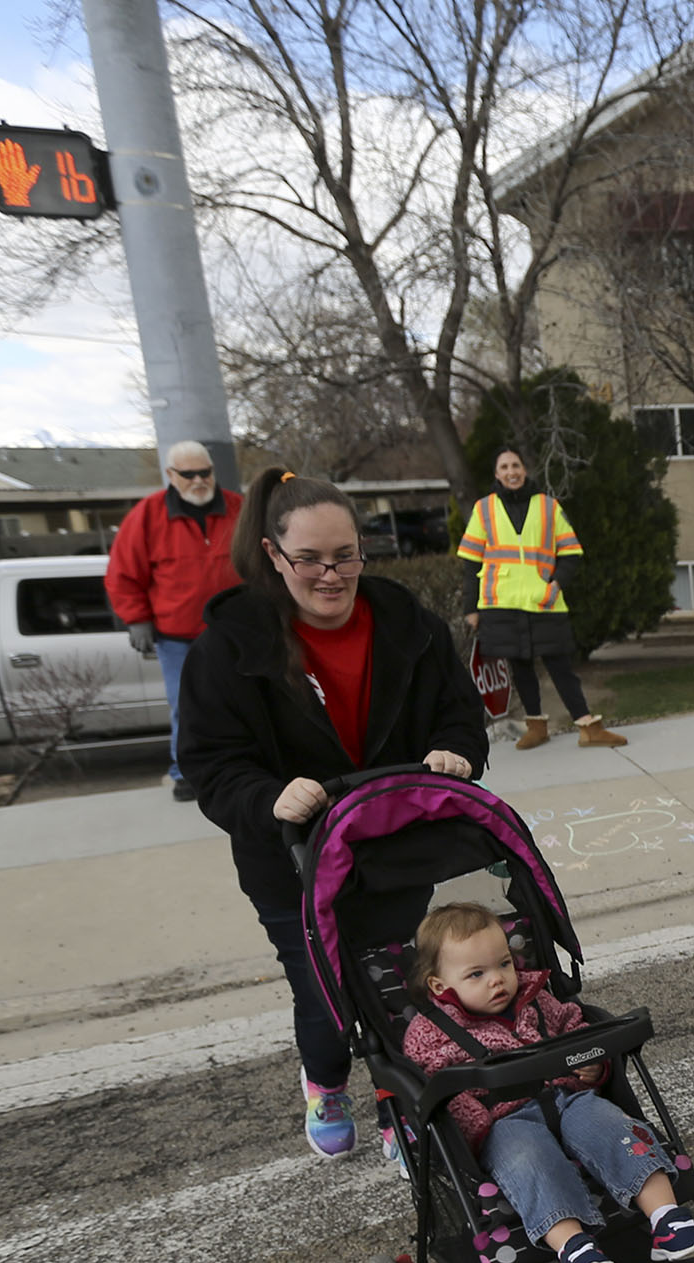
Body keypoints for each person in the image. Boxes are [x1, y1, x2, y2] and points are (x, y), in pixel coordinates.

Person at [180, 467, 490, 1160]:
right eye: (310, 559)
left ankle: (397, 1095)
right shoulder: (231, 648)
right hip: (290, 860)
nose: (331, 574)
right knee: (322, 988)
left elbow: (458, 712)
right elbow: (211, 765)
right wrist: (267, 797)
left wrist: (455, 750)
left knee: (395, 977)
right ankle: (324, 1081)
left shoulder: (407, 625)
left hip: (391, 846)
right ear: (272, 554)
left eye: (346, 555)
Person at [401, 902, 694, 1263]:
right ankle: (574, 1246)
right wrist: (476, 1136)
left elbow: (575, 1026)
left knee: (616, 1130)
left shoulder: (536, 998)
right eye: (477, 974)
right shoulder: (430, 1033)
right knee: (530, 1161)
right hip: (504, 1121)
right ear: (440, 987)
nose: (498, 980)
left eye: (504, 965)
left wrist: (594, 1065)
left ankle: (669, 1220)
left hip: (569, 1097)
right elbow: (440, 1091)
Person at [458, 448, 625, 752]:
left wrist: (556, 584)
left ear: (525, 469)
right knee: (521, 668)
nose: (511, 471)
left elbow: (571, 553)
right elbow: (470, 562)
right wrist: (471, 608)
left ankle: (588, 726)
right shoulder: (483, 509)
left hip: (544, 601)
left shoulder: (548, 507)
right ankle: (536, 728)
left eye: (516, 465)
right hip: (502, 604)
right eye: (505, 466)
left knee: (561, 666)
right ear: (497, 474)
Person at [102, 440, 243, 802]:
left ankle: (244, 766)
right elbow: (122, 574)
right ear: (170, 475)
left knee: (243, 701)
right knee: (186, 705)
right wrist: (136, 620)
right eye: (189, 474)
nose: (198, 480)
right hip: (178, 637)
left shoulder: (237, 508)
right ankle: (185, 773)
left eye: (205, 472)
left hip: (235, 630)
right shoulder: (147, 516)